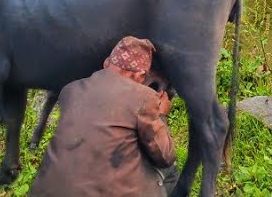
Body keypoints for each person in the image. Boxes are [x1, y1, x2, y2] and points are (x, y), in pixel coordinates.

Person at [30, 36, 178, 197]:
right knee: (170, 171)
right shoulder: (144, 97)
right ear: (140, 75)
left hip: (45, 191)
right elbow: (165, 156)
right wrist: (161, 115)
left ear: (107, 63)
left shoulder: (70, 90)